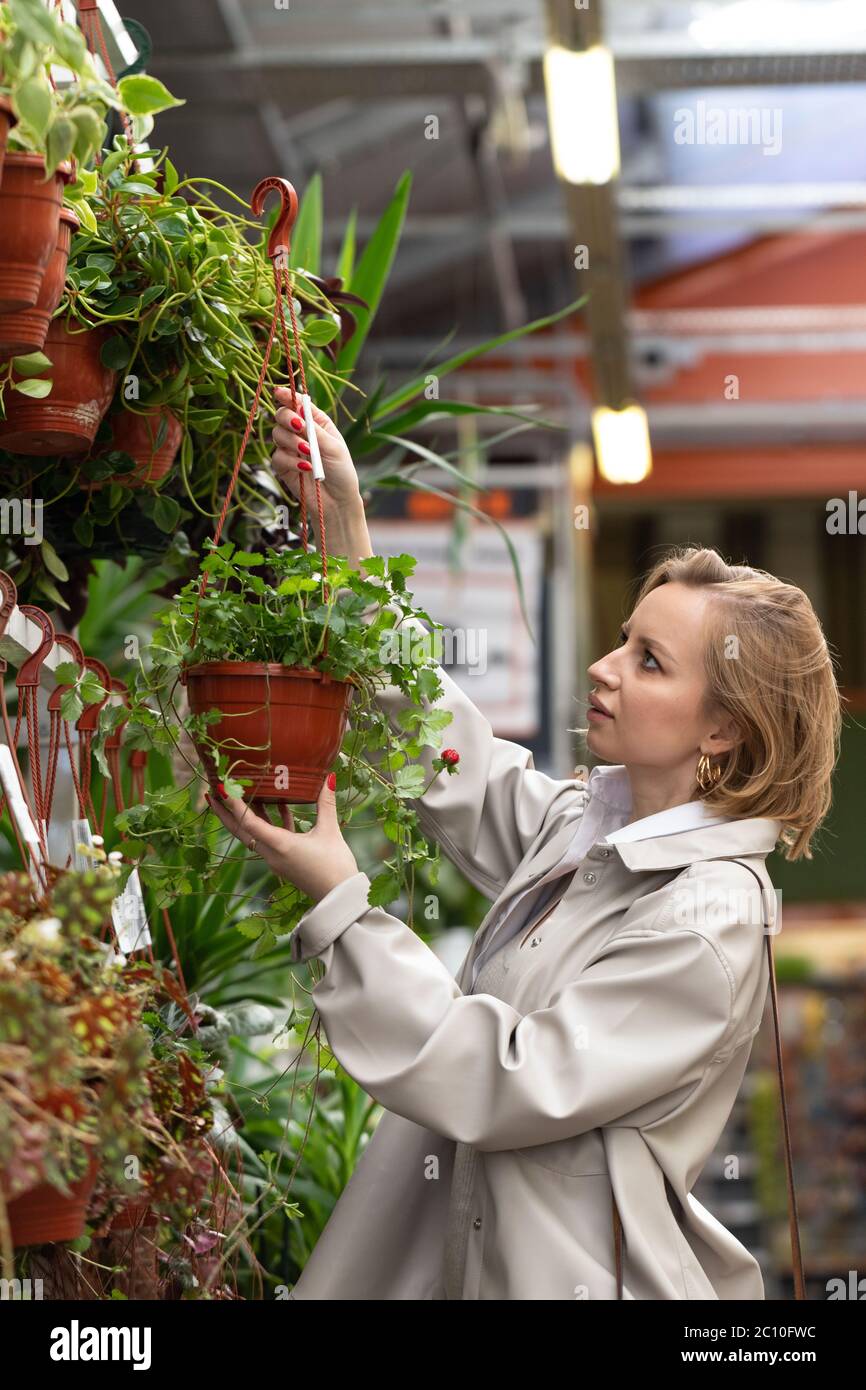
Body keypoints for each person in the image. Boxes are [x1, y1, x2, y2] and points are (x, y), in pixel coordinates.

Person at [206, 387, 842, 1300]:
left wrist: (345, 908)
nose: (603, 666)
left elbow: (508, 1081)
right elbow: (453, 759)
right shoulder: (590, 827)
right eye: (625, 640)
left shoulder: (707, 921)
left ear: (721, 734)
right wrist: (345, 530)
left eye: (648, 662)